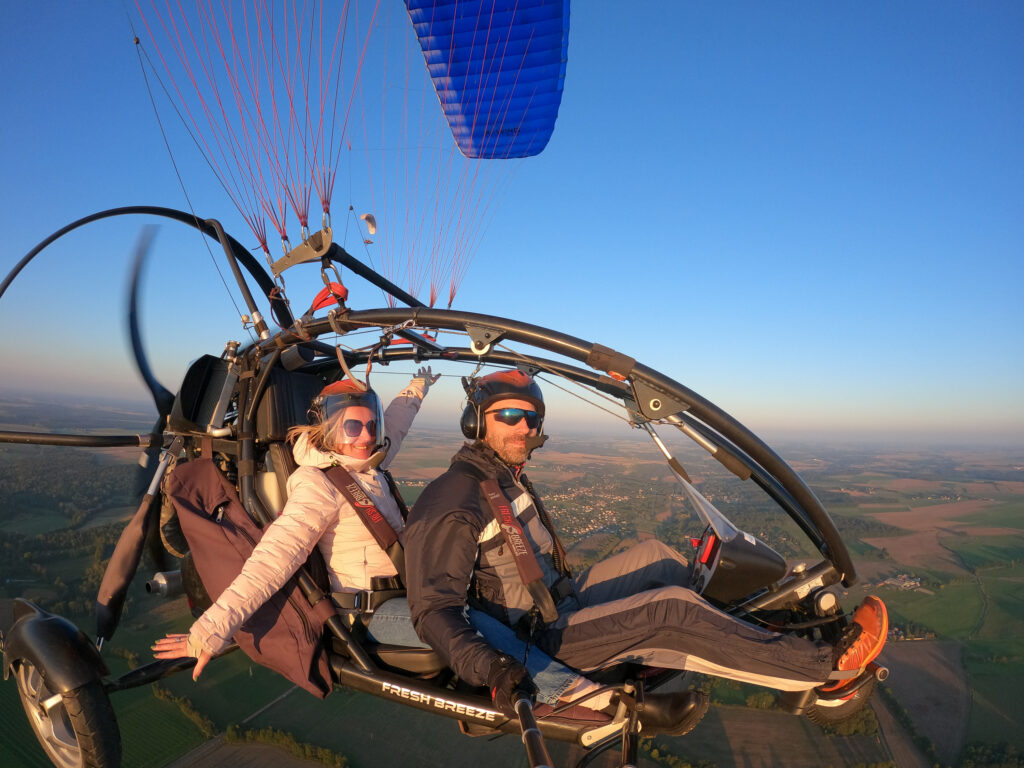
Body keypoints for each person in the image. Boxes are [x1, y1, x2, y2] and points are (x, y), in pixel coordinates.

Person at [405, 370, 889, 724]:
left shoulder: (504, 478)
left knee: (657, 554)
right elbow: (432, 611)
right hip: (536, 641)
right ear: (476, 422)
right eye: (509, 414)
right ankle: (825, 670)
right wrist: (491, 667)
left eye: (532, 417)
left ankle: (771, 622)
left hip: (557, 600)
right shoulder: (454, 496)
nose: (525, 427)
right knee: (671, 610)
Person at [152, 367, 602, 719]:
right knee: (474, 630)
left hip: (409, 595)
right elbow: (272, 559)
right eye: (352, 427)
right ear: (328, 429)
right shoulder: (317, 484)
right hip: (371, 613)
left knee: (479, 609)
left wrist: (417, 386)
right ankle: (576, 695)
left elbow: (397, 427)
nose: (366, 436)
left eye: (372, 424)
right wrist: (211, 629)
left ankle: (570, 664)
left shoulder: (369, 468)